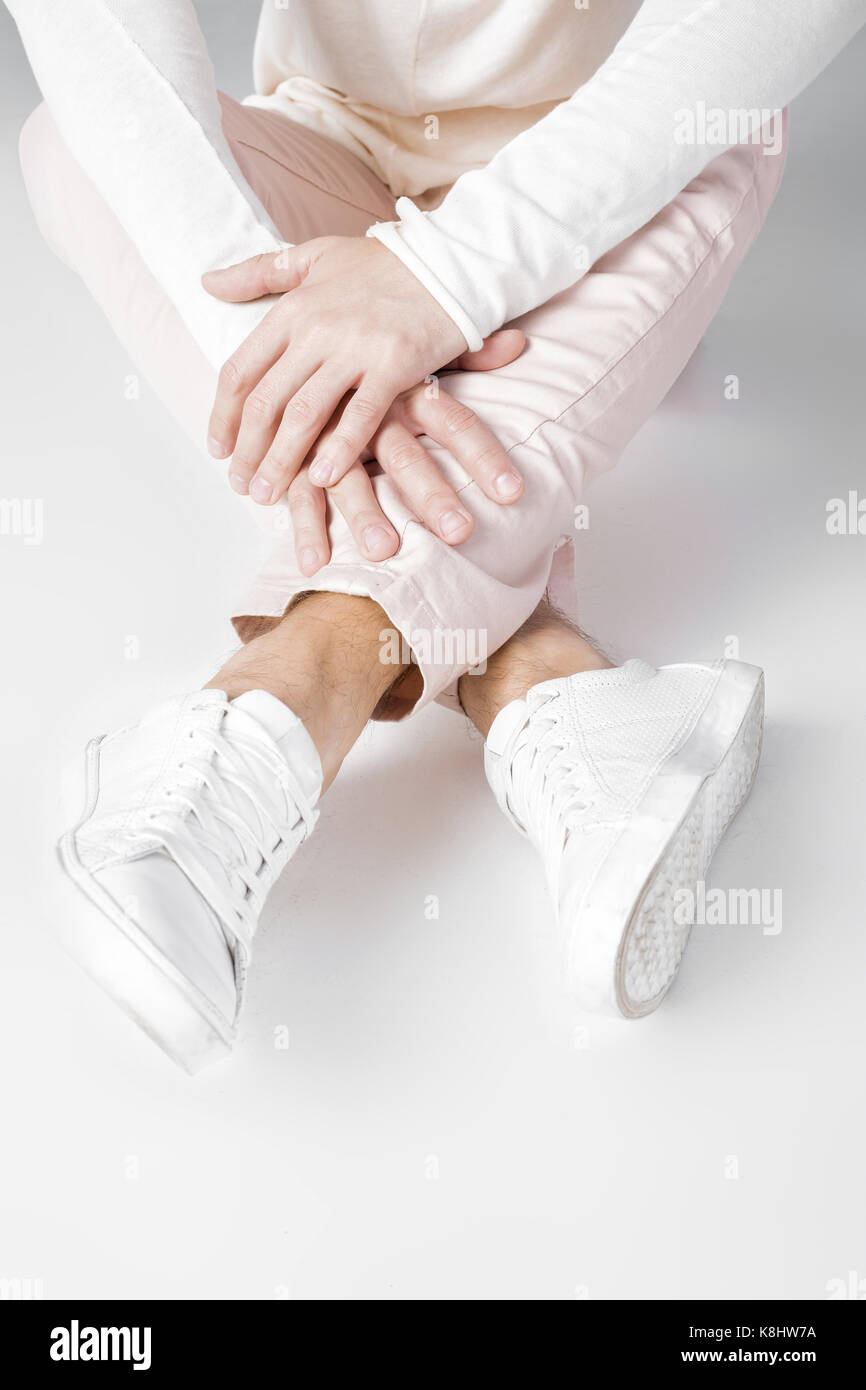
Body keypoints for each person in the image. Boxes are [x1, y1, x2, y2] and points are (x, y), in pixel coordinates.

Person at [6, 1, 862, 1072]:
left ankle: (282, 705)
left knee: (731, 121)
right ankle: (544, 679)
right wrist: (288, 355)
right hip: (326, 157)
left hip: (594, 187)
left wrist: (441, 281)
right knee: (72, 140)